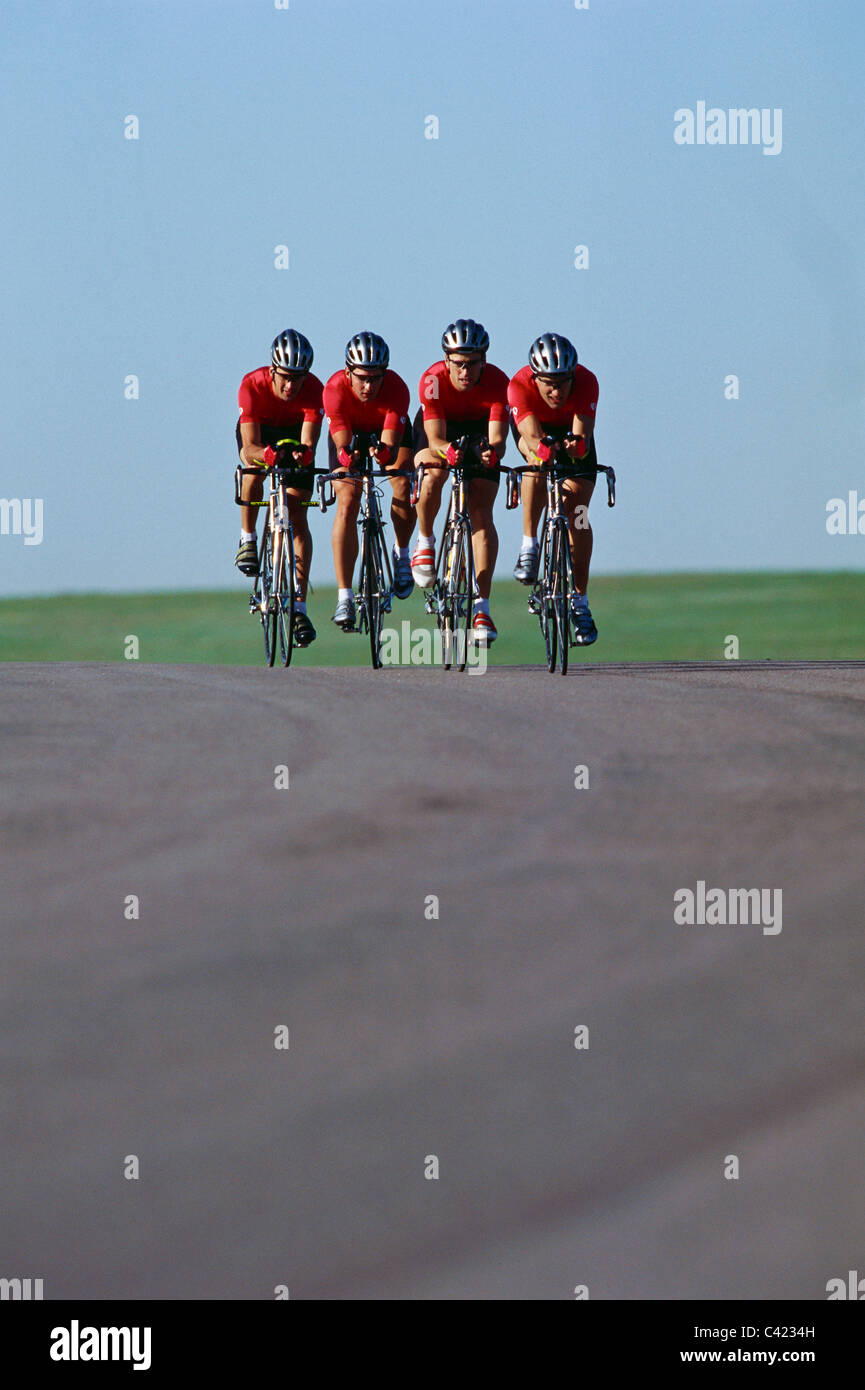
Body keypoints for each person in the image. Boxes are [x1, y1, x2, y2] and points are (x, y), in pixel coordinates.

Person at [411, 319, 509, 644]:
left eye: (473, 363)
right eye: (458, 363)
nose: (465, 371)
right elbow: (435, 438)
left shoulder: (498, 382)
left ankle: (482, 607)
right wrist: (449, 452)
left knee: (481, 514)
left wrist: (490, 454)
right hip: (440, 430)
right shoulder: (432, 380)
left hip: (479, 430)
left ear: (484, 360)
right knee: (432, 475)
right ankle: (425, 542)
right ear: (446, 360)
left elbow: (498, 440)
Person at [508, 332, 600, 644]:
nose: (557, 389)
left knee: (579, 514)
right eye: (549, 382)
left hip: (573, 437)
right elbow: (531, 438)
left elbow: (581, 442)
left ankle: (580, 601)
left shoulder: (587, 382)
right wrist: (544, 452)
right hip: (537, 434)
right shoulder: (519, 385)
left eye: (563, 381)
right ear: (535, 378)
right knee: (535, 464)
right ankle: (529, 546)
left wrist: (572, 448)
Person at [235, 329, 324, 647]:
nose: (290, 385)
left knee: (298, 516)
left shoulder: (314, 390)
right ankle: (249, 538)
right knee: (253, 470)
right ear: (273, 371)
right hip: (262, 433)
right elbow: (248, 448)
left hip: (295, 434)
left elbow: (309, 444)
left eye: (297, 379)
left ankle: (299, 607)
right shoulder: (252, 385)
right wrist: (266, 455)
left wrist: (302, 456)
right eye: (285, 377)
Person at [323, 332, 415, 630]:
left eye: (375, 378)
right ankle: (345, 595)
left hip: (385, 432)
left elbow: (389, 449)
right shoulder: (334, 389)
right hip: (348, 435)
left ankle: (402, 555)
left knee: (401, 482)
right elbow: (341, 442)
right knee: (348, 501)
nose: (368, 386)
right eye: (362, 377)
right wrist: (348, 458)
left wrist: (383, 453)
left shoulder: (397, 389)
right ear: (348, 372)